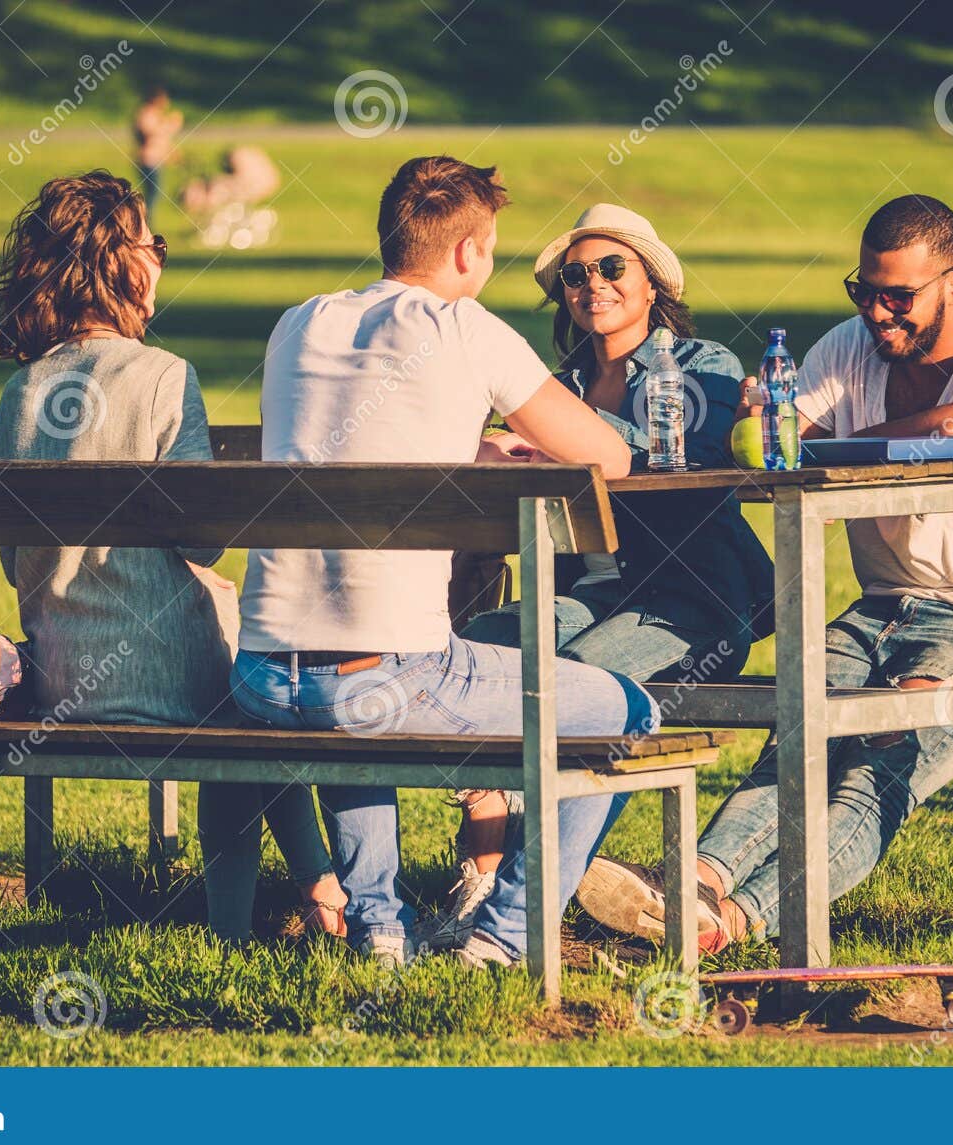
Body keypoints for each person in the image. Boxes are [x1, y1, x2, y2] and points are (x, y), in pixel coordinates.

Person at [576, 193, 953, 951]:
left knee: (880, 759)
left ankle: (731, 921)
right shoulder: (848, 348)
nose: (879, 315)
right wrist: (768, 414)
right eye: (864, 292)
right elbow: (766, 436)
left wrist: (834, 443)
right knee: (797, 735)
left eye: (899, 297)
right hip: (882, 604)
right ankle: (695, 886)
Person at [223, 155, 660, 969]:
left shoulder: (300, 322)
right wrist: (502, 443)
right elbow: (610, 456)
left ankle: (381, 927)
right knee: (625, 712)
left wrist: (462, 442)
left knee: (344, 686)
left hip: (260, 673)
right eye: (489, 251)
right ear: (467, 252)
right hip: (377, 675)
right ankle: (506, 934)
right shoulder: (465, 329)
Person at [0, 170, 349, 940]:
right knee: (258, 694)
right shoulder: (163, 377)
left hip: (59, 676)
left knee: (251, 692)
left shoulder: (21, 391)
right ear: (120, 261)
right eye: (154, 243)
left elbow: (11, 552)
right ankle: (247, 922)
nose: (161, 258)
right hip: (172, 677)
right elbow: (202, 538)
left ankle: (321, 895)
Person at [424, 204, 773, 951]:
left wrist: (544, 433)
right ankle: (487, 868)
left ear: (652, 284)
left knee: (574, 687)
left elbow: (674, 448)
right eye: (577, 275)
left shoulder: (700, 364)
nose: (593, 285)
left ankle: (515, 911)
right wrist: (514, 443)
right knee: (455, 655)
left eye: (613, 268)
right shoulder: (553, 385)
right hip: (586, 596)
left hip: (691, 608)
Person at [132, 87, 182, 222]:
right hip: (148, 160)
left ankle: (145, 221)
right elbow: (150, 134)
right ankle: (143, 221)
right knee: (152, 194)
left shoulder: (157, 115)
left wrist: (173, 153)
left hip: (156, 160)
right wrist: (171, 125)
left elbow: (162, 139)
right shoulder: (146, 113)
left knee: (155, 194)